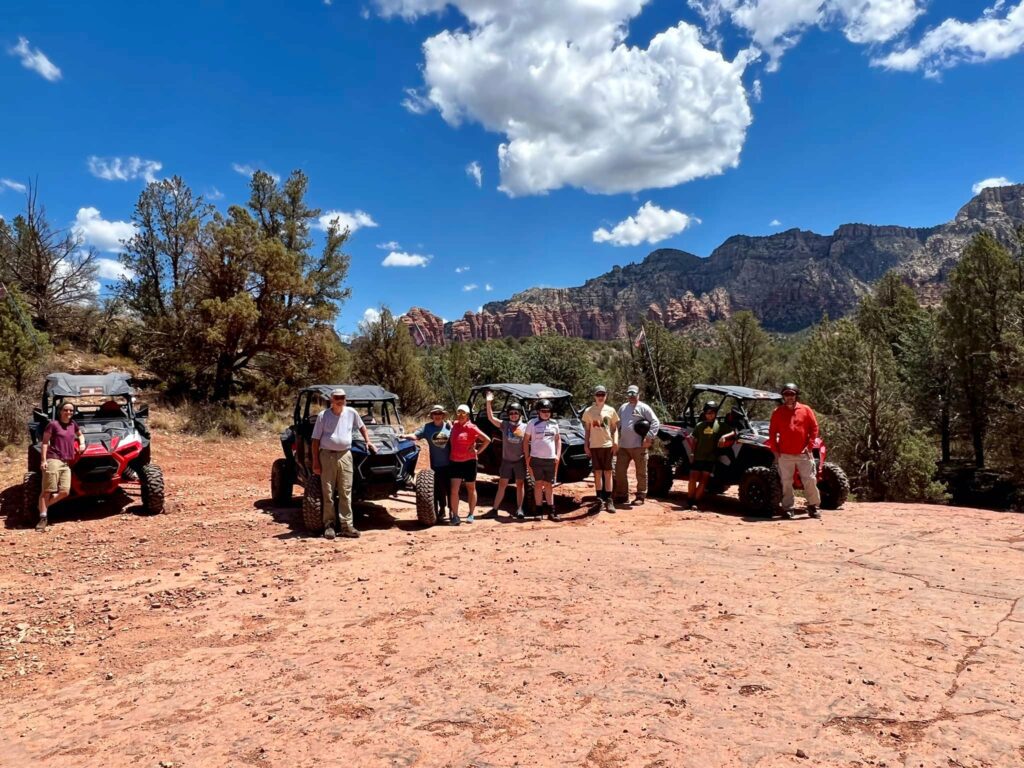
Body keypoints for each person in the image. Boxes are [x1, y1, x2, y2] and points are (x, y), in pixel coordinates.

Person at [312, 388, 377, 540]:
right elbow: (315, 440)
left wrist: (368, 441)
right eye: (337, 397)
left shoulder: (351, 412)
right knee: (328, 492)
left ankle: (347, 526)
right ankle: (329, 525)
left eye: (342, 397)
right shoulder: (323, 416)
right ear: (331, 399)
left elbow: (362, 426)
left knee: (345, 491)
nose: (340, 400)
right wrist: (316, 462)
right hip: (327, 455)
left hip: (345, 455)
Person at [769, 382, 822, 519]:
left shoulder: (806, 410)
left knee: (810, 480)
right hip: (785, 454)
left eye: (792, 394)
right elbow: (772, 433)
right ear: (783, 396)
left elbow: (814, 428)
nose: (789, 397)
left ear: (796, 395)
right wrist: (775, 451)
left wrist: (809, 446)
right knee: (786, 482)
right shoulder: (777, 412)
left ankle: (813, 506)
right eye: (786, 394)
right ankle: (788, 508)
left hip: (803, 454)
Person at [37, 401, 85, 532]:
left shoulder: (73, 424)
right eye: (66, 410)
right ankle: (43, 518)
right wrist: (43, 460)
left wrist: (82, 443)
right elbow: (45, 443)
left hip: (66, 462)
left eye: (71, 410)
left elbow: (80, 434)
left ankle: (42, 507)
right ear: (60, 411)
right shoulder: (53, 425)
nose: (69, 412)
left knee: (65, 492)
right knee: (47, 490)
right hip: (53, 460)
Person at [401, 404, 452, 522]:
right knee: (438, 489)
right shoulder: (427, 428)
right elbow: (415, 436)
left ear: (443, 415)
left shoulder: (449, 427)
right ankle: (441, 510)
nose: (437, 416)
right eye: (435, 414)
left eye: (439, 414)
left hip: (450, 464)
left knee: (451, 489)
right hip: (436, 465)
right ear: (432, 416)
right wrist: (404, 436)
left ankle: (452, 511)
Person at [615, 385, 660, 505]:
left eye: (634, 394)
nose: (631, 396)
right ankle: (622, 495)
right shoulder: (623, 407)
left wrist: (649, 437)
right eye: (629, 394)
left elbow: (655, 422)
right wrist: (613, 438)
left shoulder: (644, 407)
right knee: (619, 471)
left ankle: (640, 495)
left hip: (639, 446)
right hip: (623, 446)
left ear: (638, 395)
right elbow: (617, 424)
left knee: (641, 472)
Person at [484, 393, 527, 519]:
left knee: (520, 484)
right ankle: (495, 509)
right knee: (502, 485)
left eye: (516, 413)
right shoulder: (505, 425)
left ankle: (520, 509)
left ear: (520, 414)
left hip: (520, 460)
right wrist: (488, 402)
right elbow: (490, 417)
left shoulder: (525, 427)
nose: (513, 415)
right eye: (511, 413)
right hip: (507, 461)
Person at [687, 401, 735, 511]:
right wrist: (692, 453)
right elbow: (695, 440)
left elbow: (734, 432)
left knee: (703, 480)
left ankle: (695, 502)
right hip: (698, 456)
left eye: (712, 413)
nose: (710, 415)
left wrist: (724, 437)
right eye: (708, 413)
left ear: (715, 413)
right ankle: (689, 500)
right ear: (704, 413)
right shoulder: (699, 425)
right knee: (692, 478)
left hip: (710, 457)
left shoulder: (720, 425)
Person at [448, 404, 491, 525]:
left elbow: (487, 440)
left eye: (464, 413)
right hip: (455, 461)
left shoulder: (472, 427)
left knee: (471, 488)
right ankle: (455, 516)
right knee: (454, 490)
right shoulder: (454, 425)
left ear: (467, 415)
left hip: (469, 462)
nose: (461, 415)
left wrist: (477, 451)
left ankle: (471, 514)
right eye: (459, 413)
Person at [583, 385, 619, 512]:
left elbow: (615, 428)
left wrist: (615, 442)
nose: (600, 397)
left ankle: (609, 500)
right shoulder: (588, 411)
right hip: (594, 446)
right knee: (597, 473)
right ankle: (599, 499)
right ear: (594, 396)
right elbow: (587, 430)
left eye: (603, 394)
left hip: (607, 445)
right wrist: (586, 445)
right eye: (598, 395)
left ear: (606, 396)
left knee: (608, 472)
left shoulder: (611, 410)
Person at [523, 398, 561, 521]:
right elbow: (525, 440)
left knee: (549, 485)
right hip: (536, 459)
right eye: (543, 411)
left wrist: (558, 455)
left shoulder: (554, 423)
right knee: (538, 484)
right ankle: (538, 512)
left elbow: (558, 439)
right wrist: (527, 456)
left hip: (550, 459)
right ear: (538, 411)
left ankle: (551, 512)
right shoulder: (532, 423)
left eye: (548, 411)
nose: (546, 413)